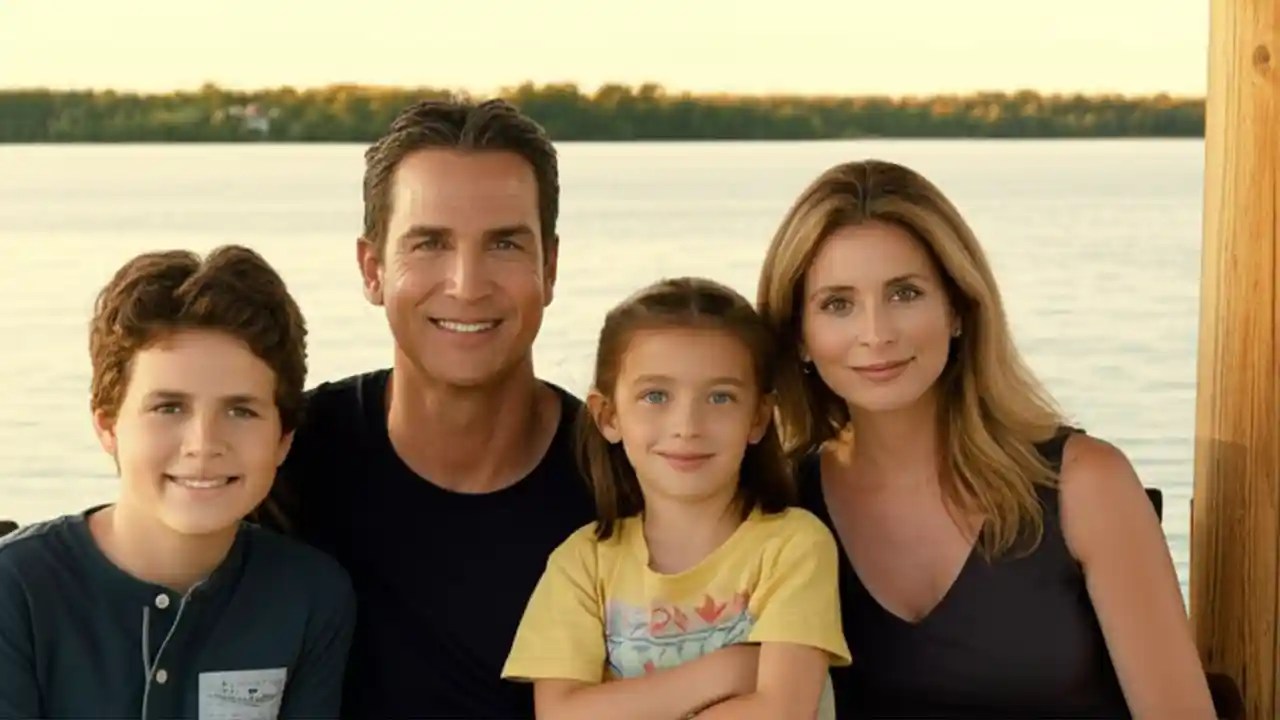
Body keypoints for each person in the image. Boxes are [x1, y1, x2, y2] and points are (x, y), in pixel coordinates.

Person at [754, 158, 1217, 719]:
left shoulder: (1085, 486)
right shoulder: (779, 506)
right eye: (838, 304)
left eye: (904, 294)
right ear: (799, 336)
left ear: (957, 309)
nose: (875, 333)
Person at [254, 98, 596, 719]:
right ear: (372, 269)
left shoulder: (624, 478)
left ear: (549, 267)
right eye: (430, 243)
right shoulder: (281, 463)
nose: (467, 284)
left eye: (504, 244)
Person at [0, 245, 356, 719]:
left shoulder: (310, 597)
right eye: (168, 407)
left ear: (283, 439)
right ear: (108, 425)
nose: (203, 444)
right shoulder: (16, 589)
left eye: (240, 410)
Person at [502, 276, 852, 720]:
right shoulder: (582, 566)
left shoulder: (793, 546)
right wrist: (726, 671)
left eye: (720, 397)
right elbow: (560, 713)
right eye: (656, 396)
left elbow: (782, 710)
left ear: (759, 418)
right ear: (608, 416)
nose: (687, 426)